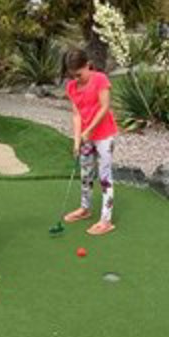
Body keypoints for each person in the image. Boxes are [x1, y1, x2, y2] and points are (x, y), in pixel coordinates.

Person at [62, 48, 118, 235]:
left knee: (104, 176)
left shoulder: (100, 79)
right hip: (86, 136)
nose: (76, 79)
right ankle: (85, 209)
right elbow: (77, 115)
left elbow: (105, 107)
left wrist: (90, 129)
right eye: (72, 75)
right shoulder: (71, 87)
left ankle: (106, 220)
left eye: (79, 74)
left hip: (104, 135)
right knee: (85, 174)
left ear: (87, 65)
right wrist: (77, 140)